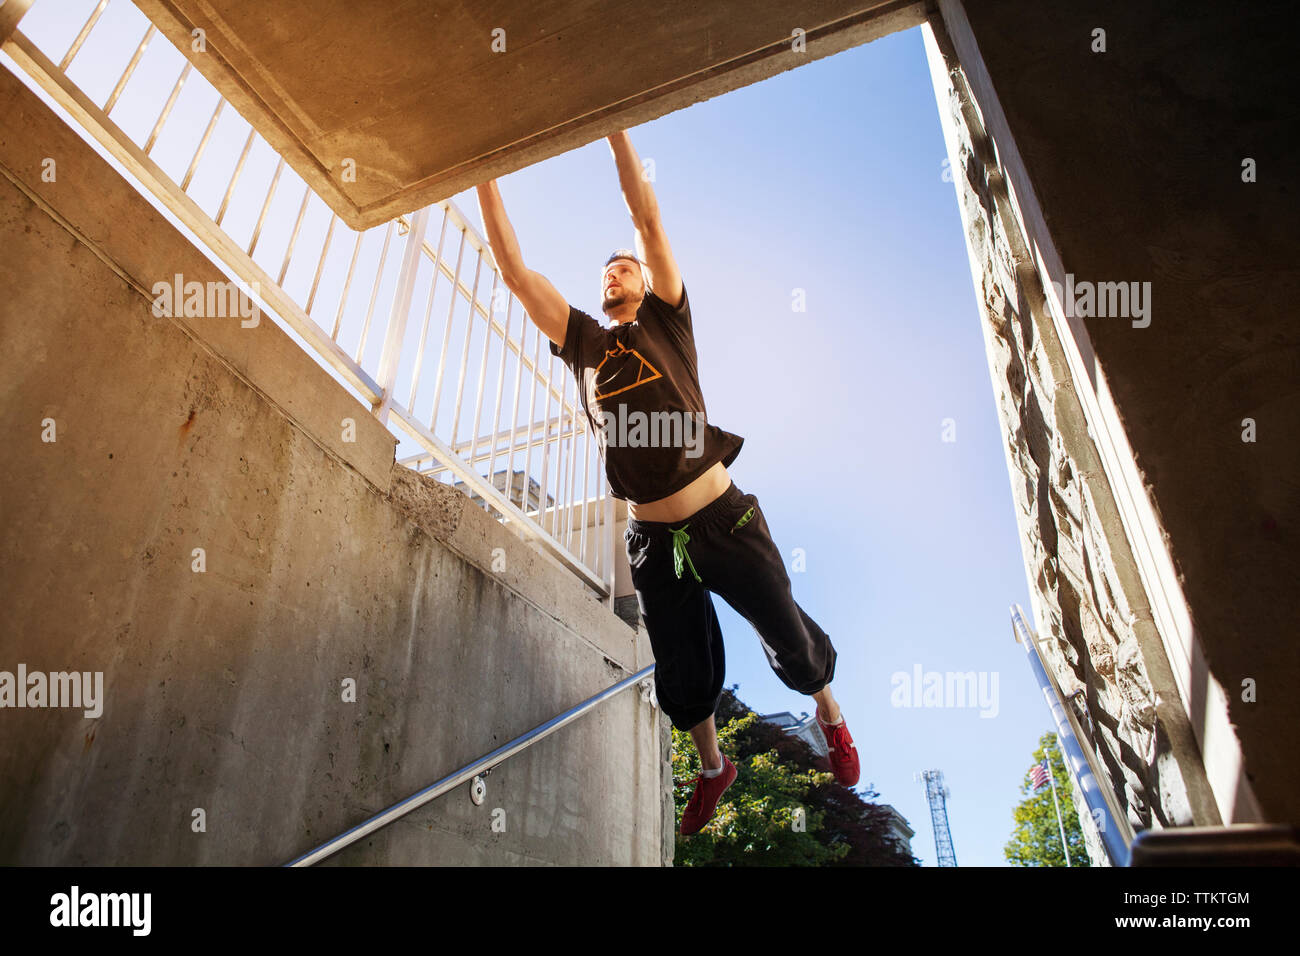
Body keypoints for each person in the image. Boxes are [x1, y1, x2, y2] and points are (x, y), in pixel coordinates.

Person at [475, 129, 858, 836]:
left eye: (628, 268)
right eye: (611, 271)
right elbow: (512, 268)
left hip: (722, 519)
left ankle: (829, 714)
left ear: (649, 284)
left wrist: (615, 126)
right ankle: (715, 770)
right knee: (681, 666)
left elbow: (645, 216)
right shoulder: (585, 344)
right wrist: (484, 171)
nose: (618, 273)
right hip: (655, 537)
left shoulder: (668, 320)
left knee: (784, 626)